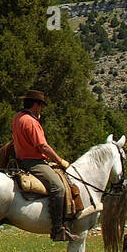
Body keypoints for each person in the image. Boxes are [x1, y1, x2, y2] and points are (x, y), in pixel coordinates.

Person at [11, 90, 76, 242]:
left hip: (20, 159)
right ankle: (57, 228)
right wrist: (60, 160)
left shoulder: (17, 117)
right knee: (58, 187)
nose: (41, 109)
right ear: (36, 104)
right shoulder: (31, 122)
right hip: (34, 162)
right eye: (40, 105)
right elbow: (43, 146)